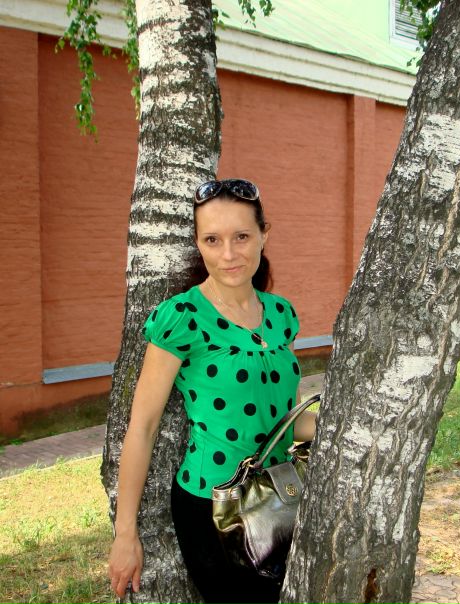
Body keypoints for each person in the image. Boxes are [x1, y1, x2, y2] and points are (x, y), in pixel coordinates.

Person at [108, 178, 316, 603]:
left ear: (264, 235)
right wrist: (124, 534)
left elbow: (285, 420)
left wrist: (350, 428)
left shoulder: (281, 315)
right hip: (214, 506)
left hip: (277, 496)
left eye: (241, 237)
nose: (228, 254)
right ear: (198, 245)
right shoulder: (182, 317)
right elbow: (142, 427)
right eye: (212, 240)